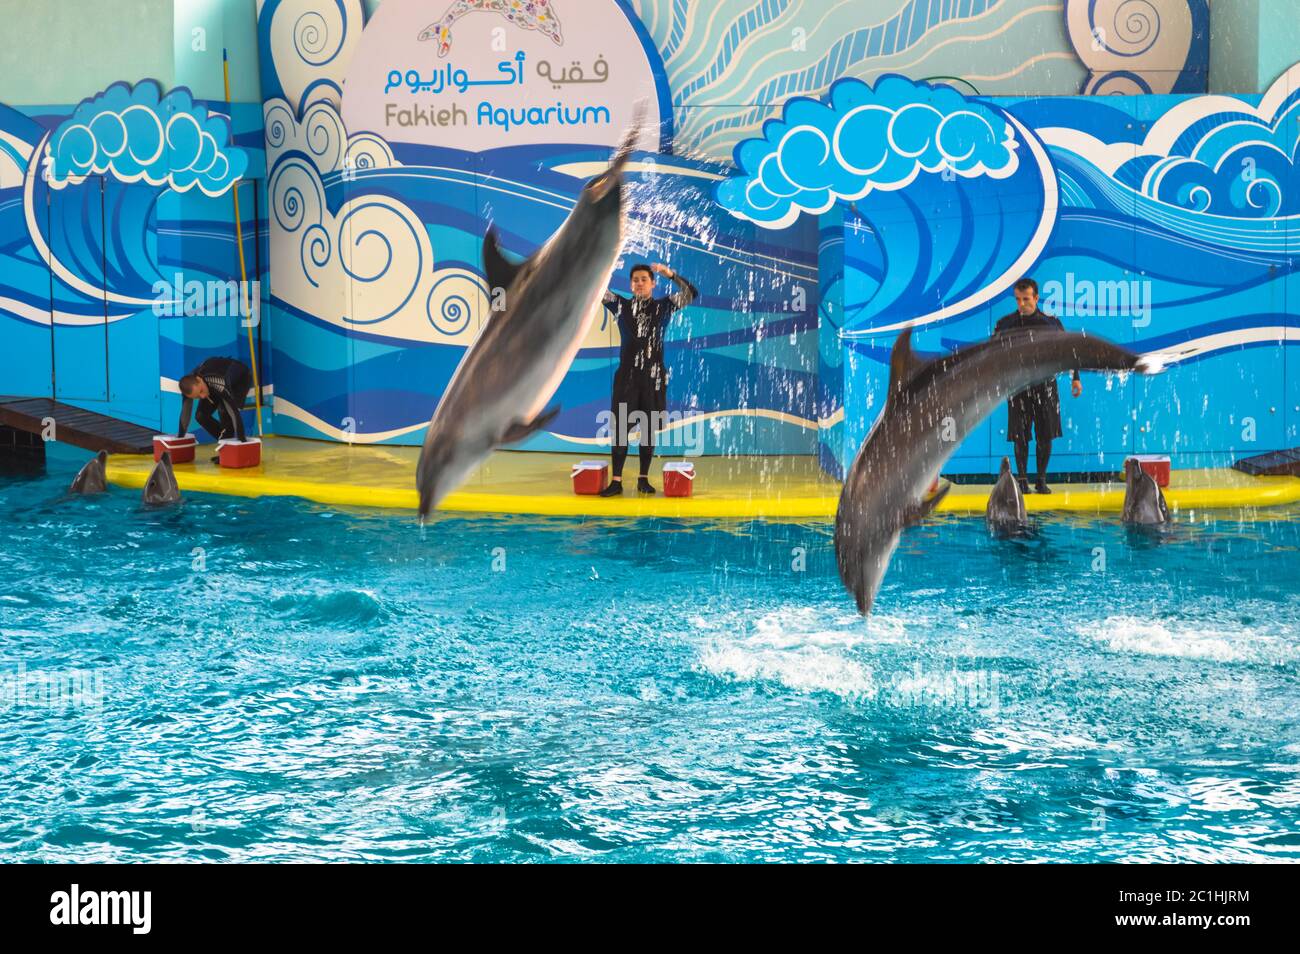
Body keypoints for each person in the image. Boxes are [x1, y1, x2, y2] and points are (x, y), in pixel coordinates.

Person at [598, 262, 698, 496]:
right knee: (621, 429)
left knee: (648, 429)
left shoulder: (665, 306)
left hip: (653, 377)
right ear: (631, 285)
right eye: (635, 280)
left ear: (653, 283)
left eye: (644, 279)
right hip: (627, 378)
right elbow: (595, 290)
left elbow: (691, 293)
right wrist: (606, 268)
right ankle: (616, 481)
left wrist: (671, 274)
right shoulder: (620, 305)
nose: (639, 283)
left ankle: (643, 479)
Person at [993, 278, 1082, 494]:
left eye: (1026, 299)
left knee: (1046, 433)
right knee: (1020, 435)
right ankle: (1022, 480)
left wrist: (1075, 378)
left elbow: (1069, 351)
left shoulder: (1051, 323)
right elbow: (993, 355)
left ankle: (1041, 480)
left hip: (1046, 386)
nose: (1022, 304)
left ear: (1036, 298)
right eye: (1018, 300)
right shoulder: (1006, 324)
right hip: (1018, 386)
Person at [177, 357, 252, 461]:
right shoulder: (190, 386)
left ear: (199, 380)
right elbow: (185, 413)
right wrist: (180, 438)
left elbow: (233, 413)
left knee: (224, 412)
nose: (202, 397)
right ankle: (226, 445)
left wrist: (242, 442)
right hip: (210, 384)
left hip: (239, 379)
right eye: (197, 397)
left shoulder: (219, 382)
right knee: (201, 416)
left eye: (201, 391)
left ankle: (228, 450)